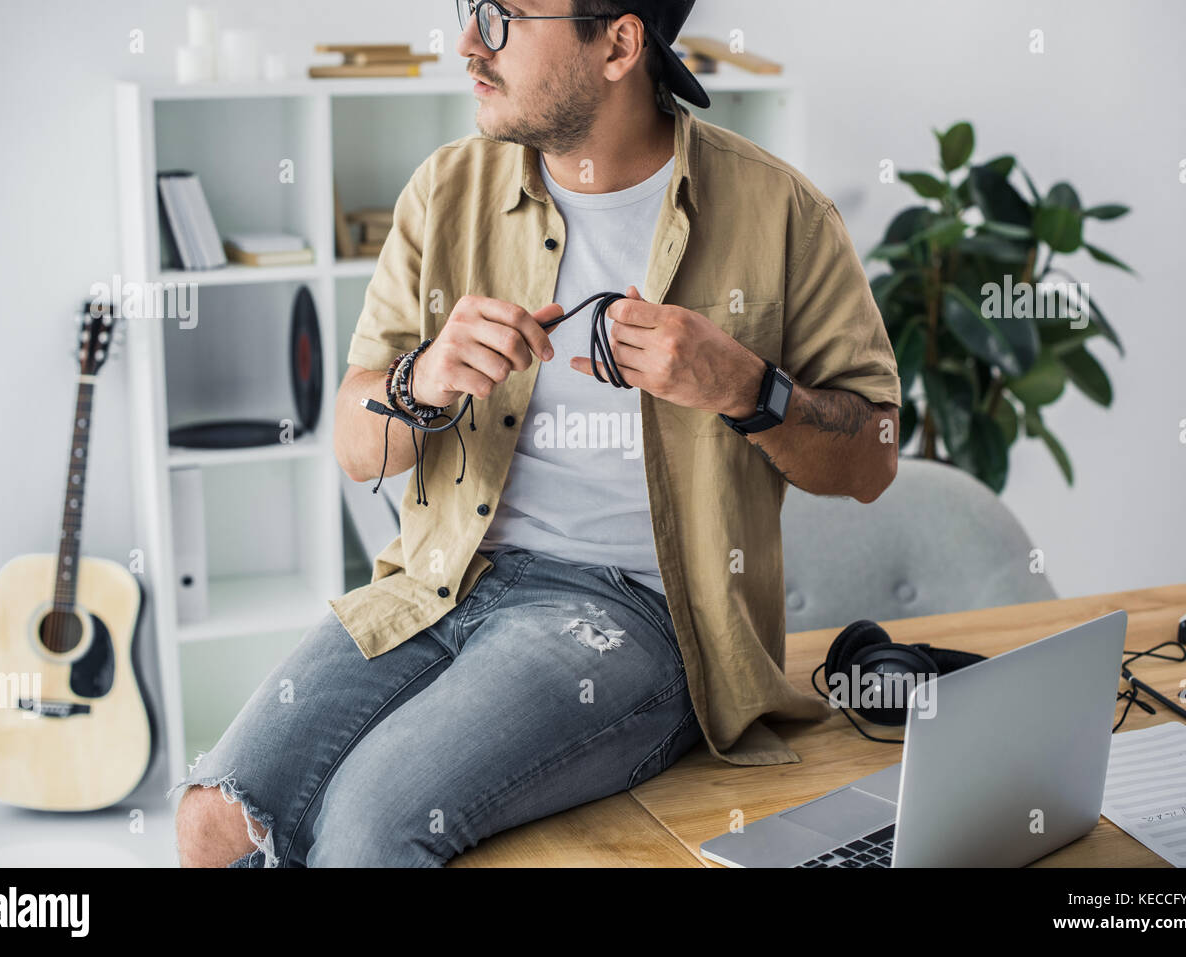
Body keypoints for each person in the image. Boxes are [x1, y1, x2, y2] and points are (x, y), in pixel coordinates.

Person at [170, 0, 901, 867]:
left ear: (620, 44)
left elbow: (874, 455)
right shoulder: (445, 191)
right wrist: (421, 380)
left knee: (368, 824)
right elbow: (355, 445)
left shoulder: (781, 212)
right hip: (437, 580)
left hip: (632, 617)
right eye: (471, 9)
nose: (469, 43)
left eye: (505, 16)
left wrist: (748, 387)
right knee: (213, 815)